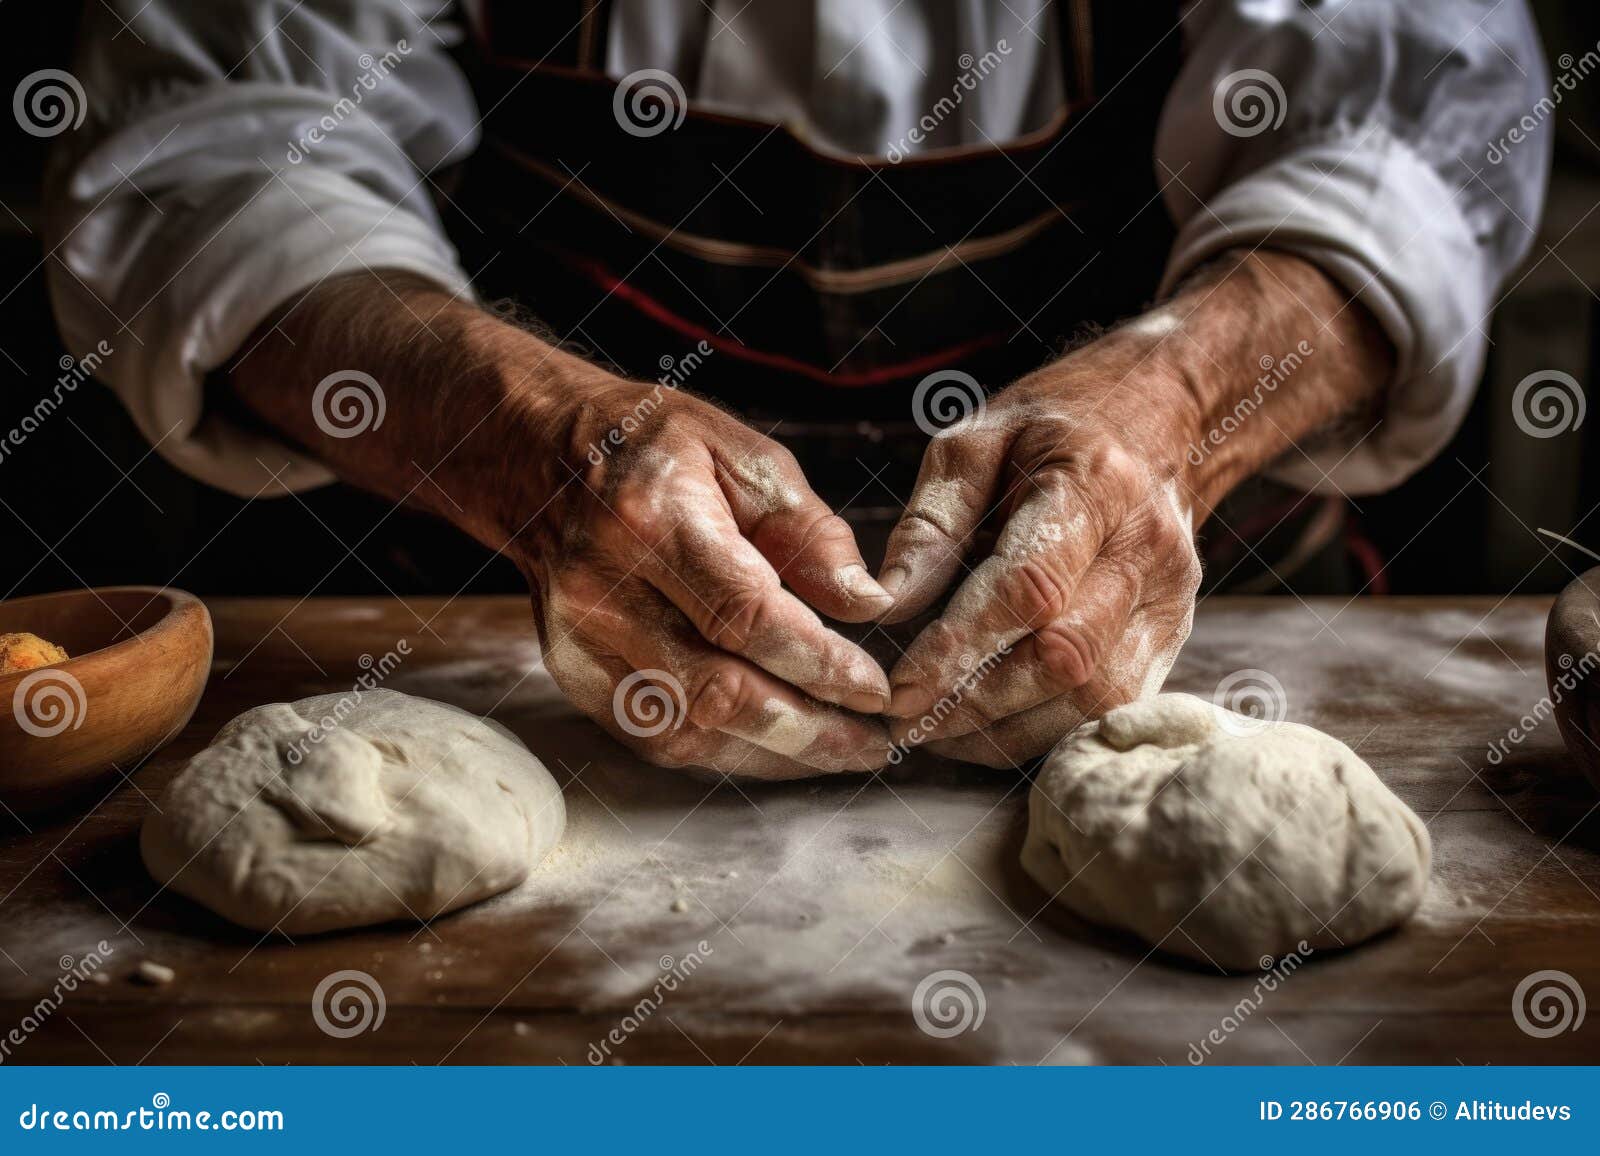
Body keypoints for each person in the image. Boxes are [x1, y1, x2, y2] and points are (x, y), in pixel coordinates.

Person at [44, 1, 1551, 777]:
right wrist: (534, 444)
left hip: (1192, 627)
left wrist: (1176, 410)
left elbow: (1413, 141)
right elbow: (222, 141)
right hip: (495, 647)